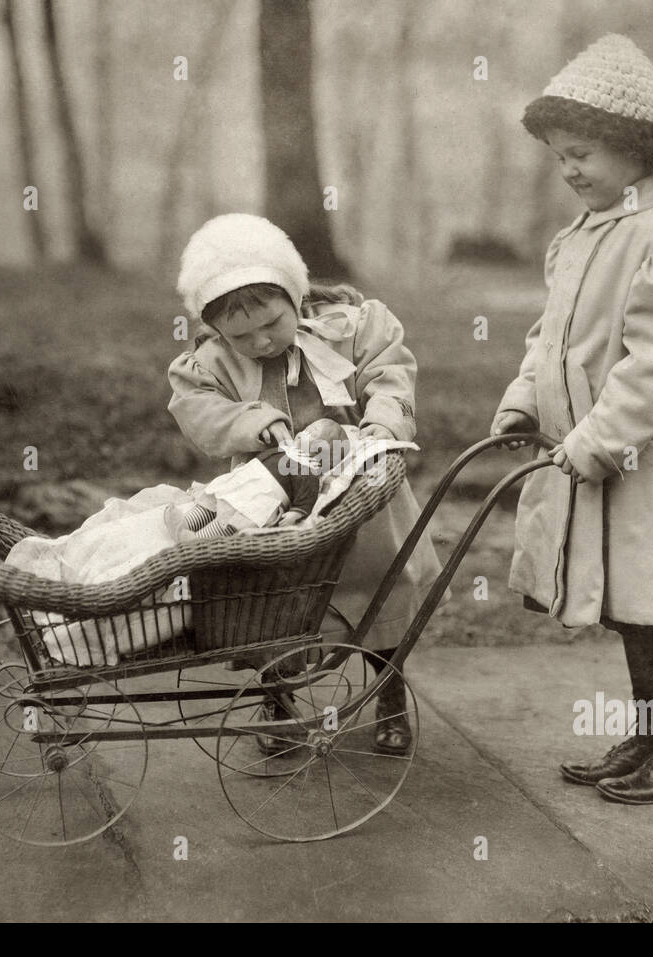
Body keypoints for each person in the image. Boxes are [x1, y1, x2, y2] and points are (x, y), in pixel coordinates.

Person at [489, 35, 653, 804]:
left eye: (584, 154)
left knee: (652, 612)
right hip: (592, 460)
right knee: (627, 611)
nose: (570, 169)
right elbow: (550, 338)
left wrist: (596, 442)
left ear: (637, 150)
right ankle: (652, 734)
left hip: (646, 465)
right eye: (559, 155)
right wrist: (523, 402)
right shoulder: (582, 235)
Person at [168, 213, 444, 755]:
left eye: (272, 322)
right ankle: (277, 699)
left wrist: (381, 425)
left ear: (295, 297)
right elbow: (196, 407)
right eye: (241, 335)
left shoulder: (352, 328)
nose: (262, 342)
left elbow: (390, 375)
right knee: (274, 599)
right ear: (216, 329)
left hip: (361, 492)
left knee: (377, 592)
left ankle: (389, 692)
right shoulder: (210, 361)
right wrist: (251, 421)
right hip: (273, 498)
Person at [164, 418, 346, 540]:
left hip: (261, 497)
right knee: (214, 499)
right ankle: (186, 522)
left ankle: (198, 541)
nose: (303, 432)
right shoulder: (288, 450)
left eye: (311, 433)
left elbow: (307, 497)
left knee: (232, 518)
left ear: (318, 450)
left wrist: (296, 513)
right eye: (307, 428)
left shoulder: (308, 471)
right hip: (244, 482)